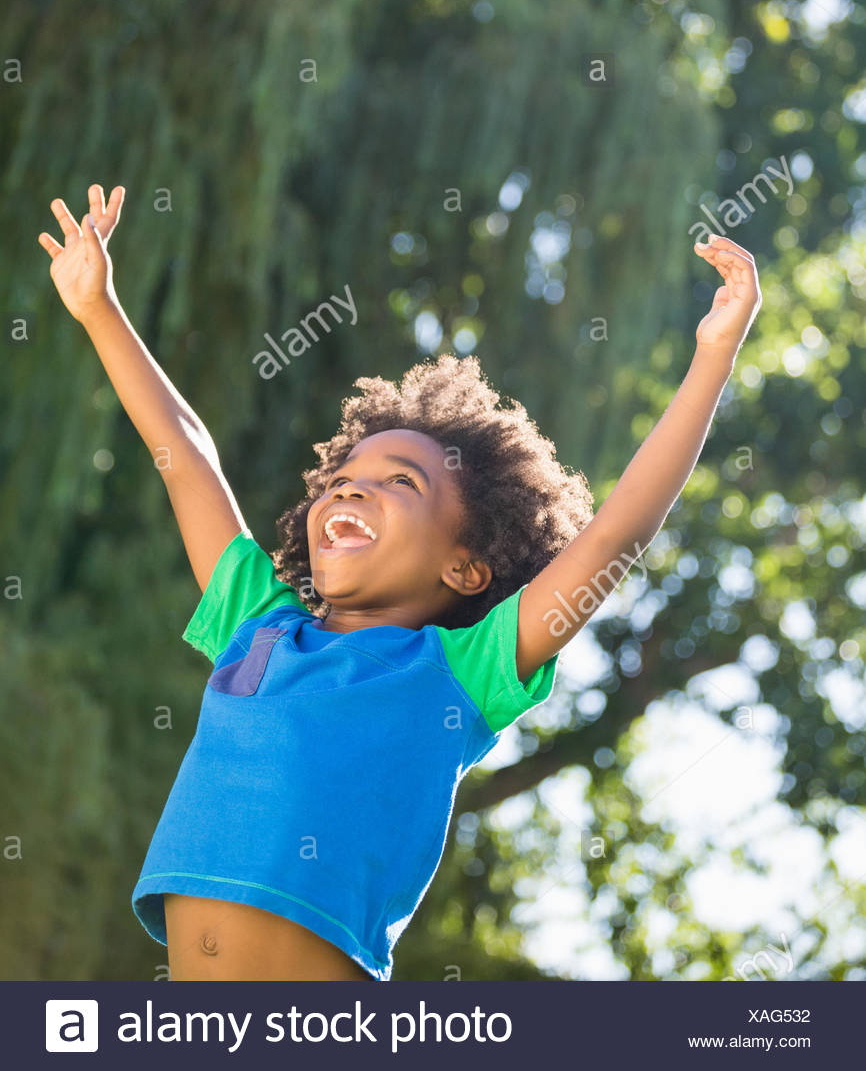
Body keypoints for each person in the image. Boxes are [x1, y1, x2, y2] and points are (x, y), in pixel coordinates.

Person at [37, 183, 761, 981]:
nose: (351, 488)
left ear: (467, 564)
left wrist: (712, 359)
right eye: (343, 476)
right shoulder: (258, 624)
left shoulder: (460, 673)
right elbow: (186, 456)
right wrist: (100, 308)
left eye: (401, 483)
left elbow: (616, 535)